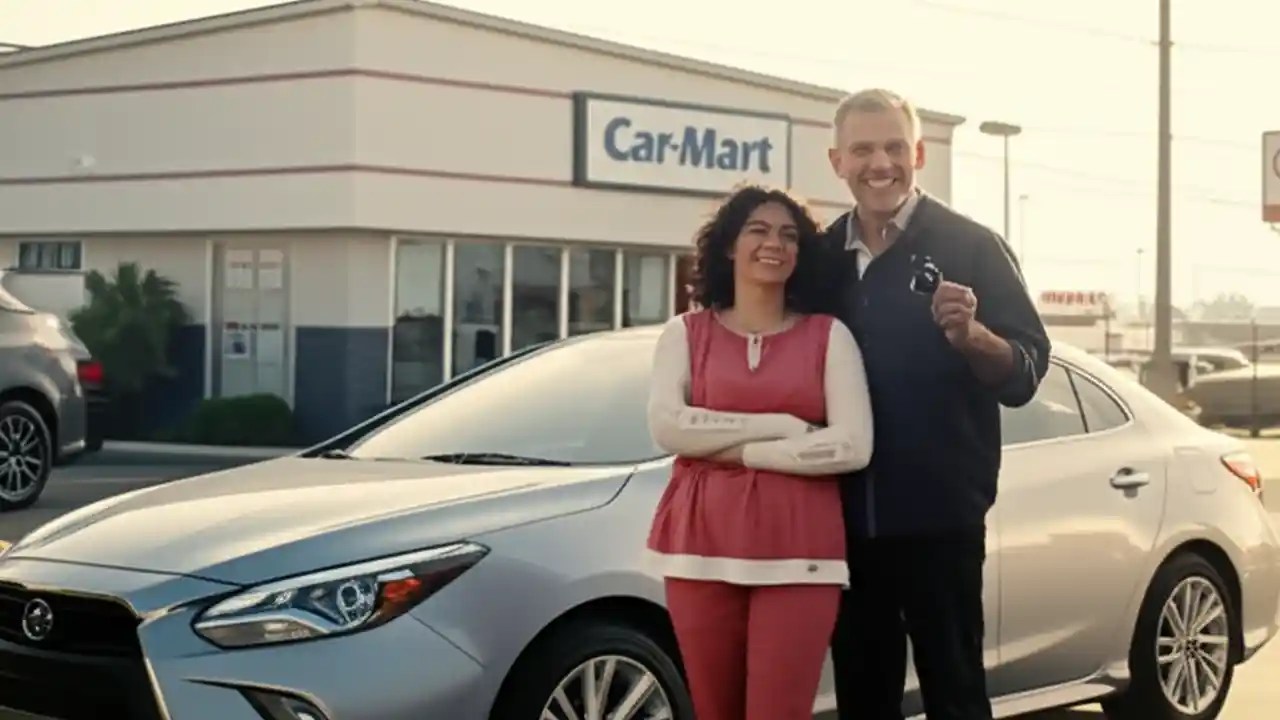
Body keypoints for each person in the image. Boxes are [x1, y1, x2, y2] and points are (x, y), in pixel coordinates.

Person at [822, 88, 1051, 720]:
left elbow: (1026, 370)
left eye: (895, 147)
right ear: (836, 160)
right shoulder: (819, 261)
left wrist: (973, 337)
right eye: (863, 149)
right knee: (863, 702)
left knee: (955, 695)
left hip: (941, 524)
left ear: (918, 152)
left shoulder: (972, 247)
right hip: (844, 527)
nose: (880, 164)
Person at [645, 184, 874, 720]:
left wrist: (740, 454)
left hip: (801, 553)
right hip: (697, 549)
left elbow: (851, 445)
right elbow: (669, 427)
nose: (775, 243)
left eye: (789, 235)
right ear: (729, 245)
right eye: (759, 230)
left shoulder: (828, 336)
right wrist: (781, 426)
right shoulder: (684, 332)